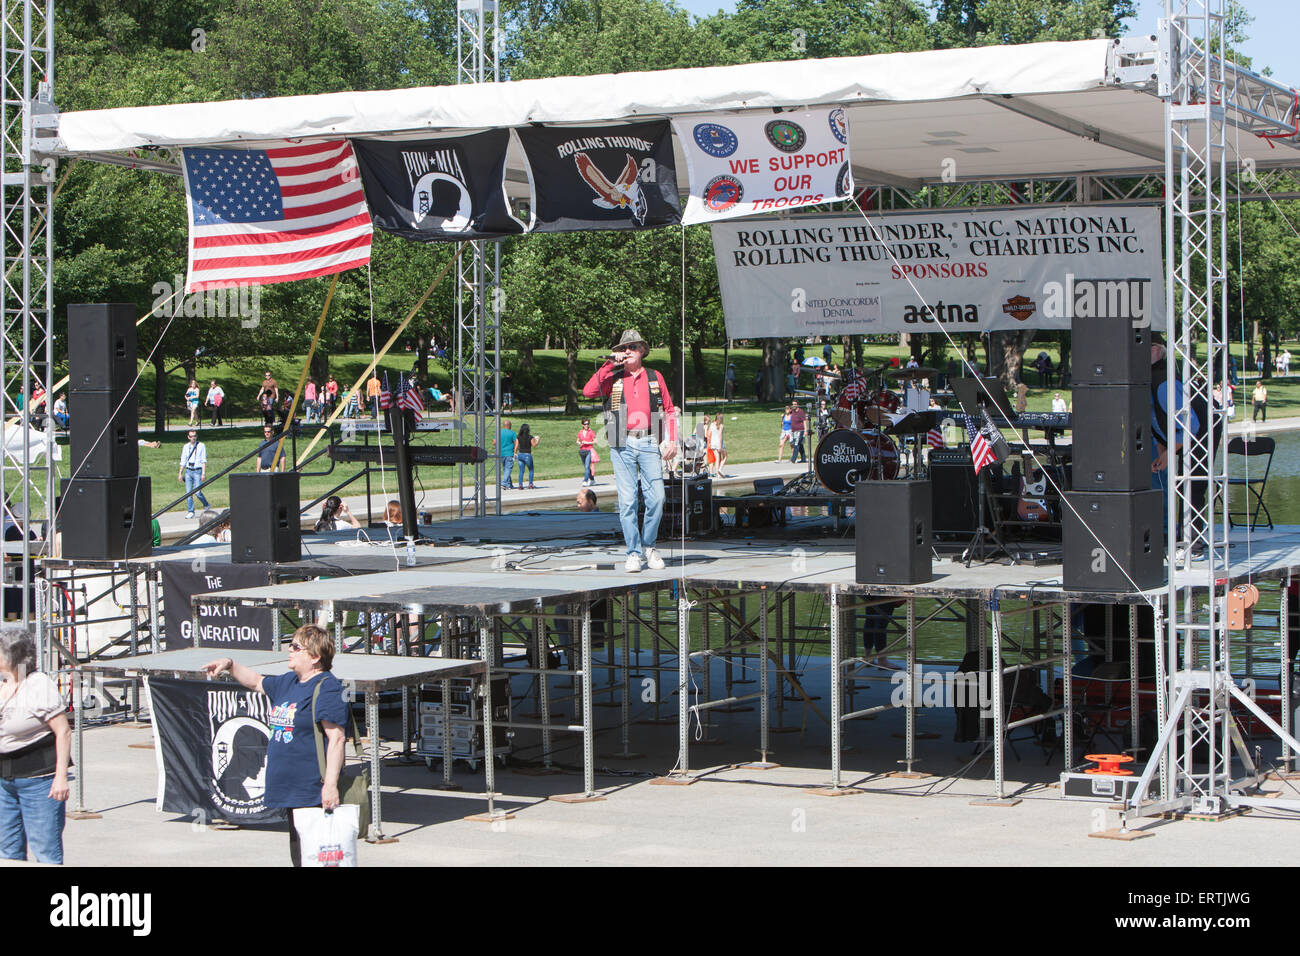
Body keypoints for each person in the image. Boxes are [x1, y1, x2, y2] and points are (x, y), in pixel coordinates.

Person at [203, 625, 346, 867]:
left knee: (317, 855)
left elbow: (337, 738)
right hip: (289, 786)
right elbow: (257, 682)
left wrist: (330, 786)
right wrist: (230, 664)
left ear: (314, 656)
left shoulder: (326, 687)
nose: (289, 650)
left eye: (295, 647)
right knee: (299, 852)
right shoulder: (290, 681)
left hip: (310, 787)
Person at [582, 328, 677, 573]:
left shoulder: (655, 377)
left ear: (642, 351)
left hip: (648, 441)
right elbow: (588, 391)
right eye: (624, 348)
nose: (628, 352)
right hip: (620, 442)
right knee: (627, 503)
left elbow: (668, 410)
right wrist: (607, 364)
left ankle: (649, 546)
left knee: (657, 498)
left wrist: (672, 440)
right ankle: (633, 552)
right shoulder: (612, 376)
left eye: (633, 347)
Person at [0, 625, 71, 865]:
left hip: (38, 781)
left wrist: (61, 777)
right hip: (4, 780)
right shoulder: (3, 682)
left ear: (13, 654)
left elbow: (62, 731)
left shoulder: (37, 684)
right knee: (7, 851)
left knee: (45, 851)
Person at [178, 428, 209, 518]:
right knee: (188, 493)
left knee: (198, 492)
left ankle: (206, 504)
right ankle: (191, 511)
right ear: (188, 437)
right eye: (191, 436)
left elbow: (203, 460)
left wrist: (203, 473)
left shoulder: (201, 446)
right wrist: (180, 473)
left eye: (195, 436)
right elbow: (183, 460)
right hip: (188, 470)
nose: (193, 438)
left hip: (197, 470)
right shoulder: (186, 446)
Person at [514, 423, 538, 490]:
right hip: (527, 455)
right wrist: (537, 441)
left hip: (520, 455)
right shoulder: (530, 437)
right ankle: (530, 484)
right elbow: (534, 445)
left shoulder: (518, 437)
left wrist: (515, 453)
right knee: (531, 470)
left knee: (521, 471)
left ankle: (520, 485)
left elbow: (516, 446)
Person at [498, 418, 517, 490]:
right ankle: (503, 483)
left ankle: (509, 485)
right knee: (508, 469)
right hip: (509, 453)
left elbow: (494, 442)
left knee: (505, 469)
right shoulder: (512, 433)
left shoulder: (499, 432)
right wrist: (515, 451)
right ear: (509, 426)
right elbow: (516, 443)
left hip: (501, 453)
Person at [577, 418, 597, 486]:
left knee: (587, 466)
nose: (587, 425)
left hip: (589, 450)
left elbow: (595, 441)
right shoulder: (580, 432)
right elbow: (578, 440)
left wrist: (587, 442)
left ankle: (585, 480)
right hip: (582, 451)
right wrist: (578, 442)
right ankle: (592, 480)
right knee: (586, 467)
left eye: (588, 424)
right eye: (585, 424)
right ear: (582, 424)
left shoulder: (591, 432)